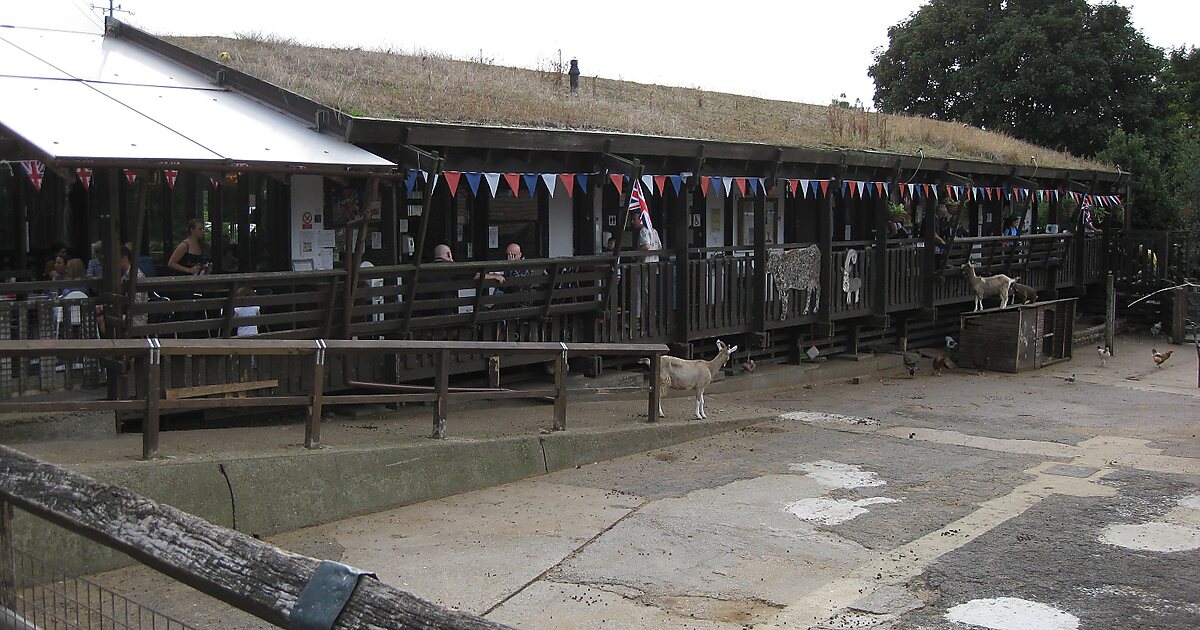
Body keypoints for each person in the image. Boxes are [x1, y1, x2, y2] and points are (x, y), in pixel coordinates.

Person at [119, 247, 148, 329]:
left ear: (125, 258)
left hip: (136, 319)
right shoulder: (124, 275)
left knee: (104, 320)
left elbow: (137, 303)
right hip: (128, 314)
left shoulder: (136, 276)